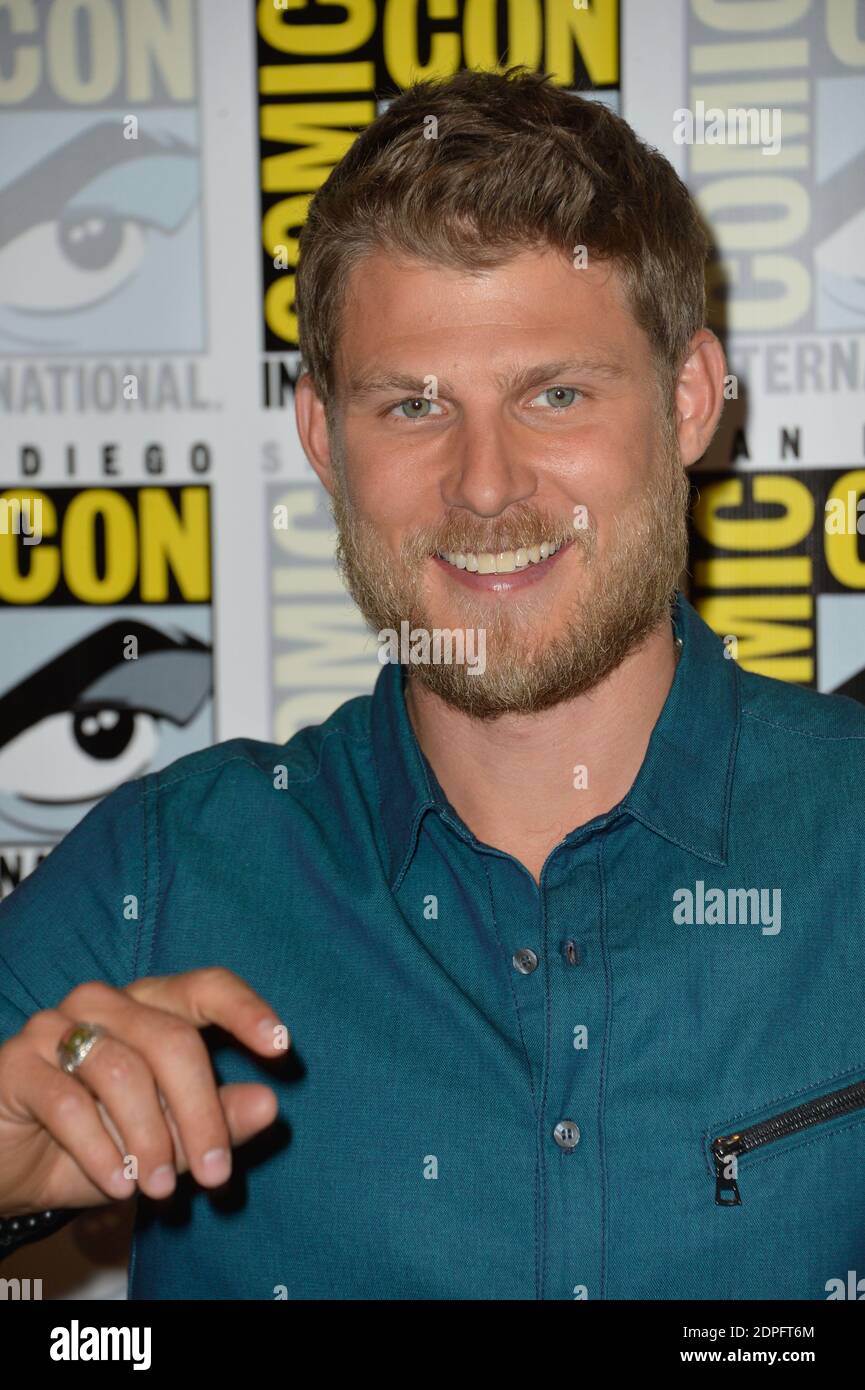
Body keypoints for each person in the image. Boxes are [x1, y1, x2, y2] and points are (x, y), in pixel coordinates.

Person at [1, 67, 864, 1301]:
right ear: (320, 437)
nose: (484, 483)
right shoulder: (161, 873)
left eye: (553, 394)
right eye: (412, 405)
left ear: (687, 400)